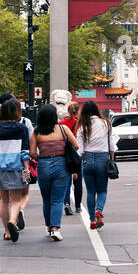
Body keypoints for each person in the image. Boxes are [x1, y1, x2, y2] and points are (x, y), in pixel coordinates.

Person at [0, 97, 32, 242]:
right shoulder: (21, 128)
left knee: (4, 201)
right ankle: (12, 221)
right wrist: (27, 168)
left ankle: (7, 232)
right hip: (16, 168)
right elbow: (24, 152)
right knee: (16, 200)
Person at [30, 103, 79, 242]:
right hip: (61, 165)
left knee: (46, 199)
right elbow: (76, 145)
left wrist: (42, 157)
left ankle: (48, 226)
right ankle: (55, 228)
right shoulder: (63, 129)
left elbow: (32, 153)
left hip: (44, 165)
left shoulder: (36, 133)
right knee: (57, 199)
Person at [77, 101, 115, 230]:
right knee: (102, 190)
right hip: (102, 159)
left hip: (87, 160)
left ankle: (92, 220)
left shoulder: (82, 126)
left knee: (91, 191)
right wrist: (112, 159)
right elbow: (112, 145)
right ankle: (99, 210)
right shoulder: (106, 123)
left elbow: (80, 150)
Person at [58, 100, 83, 217]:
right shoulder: (80, 123)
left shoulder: (61, 123)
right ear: (78, 111)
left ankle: (67, 203)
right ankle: (78, 206)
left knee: (67, 181)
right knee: (78, 182)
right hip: (77, 153)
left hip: (65, 153)